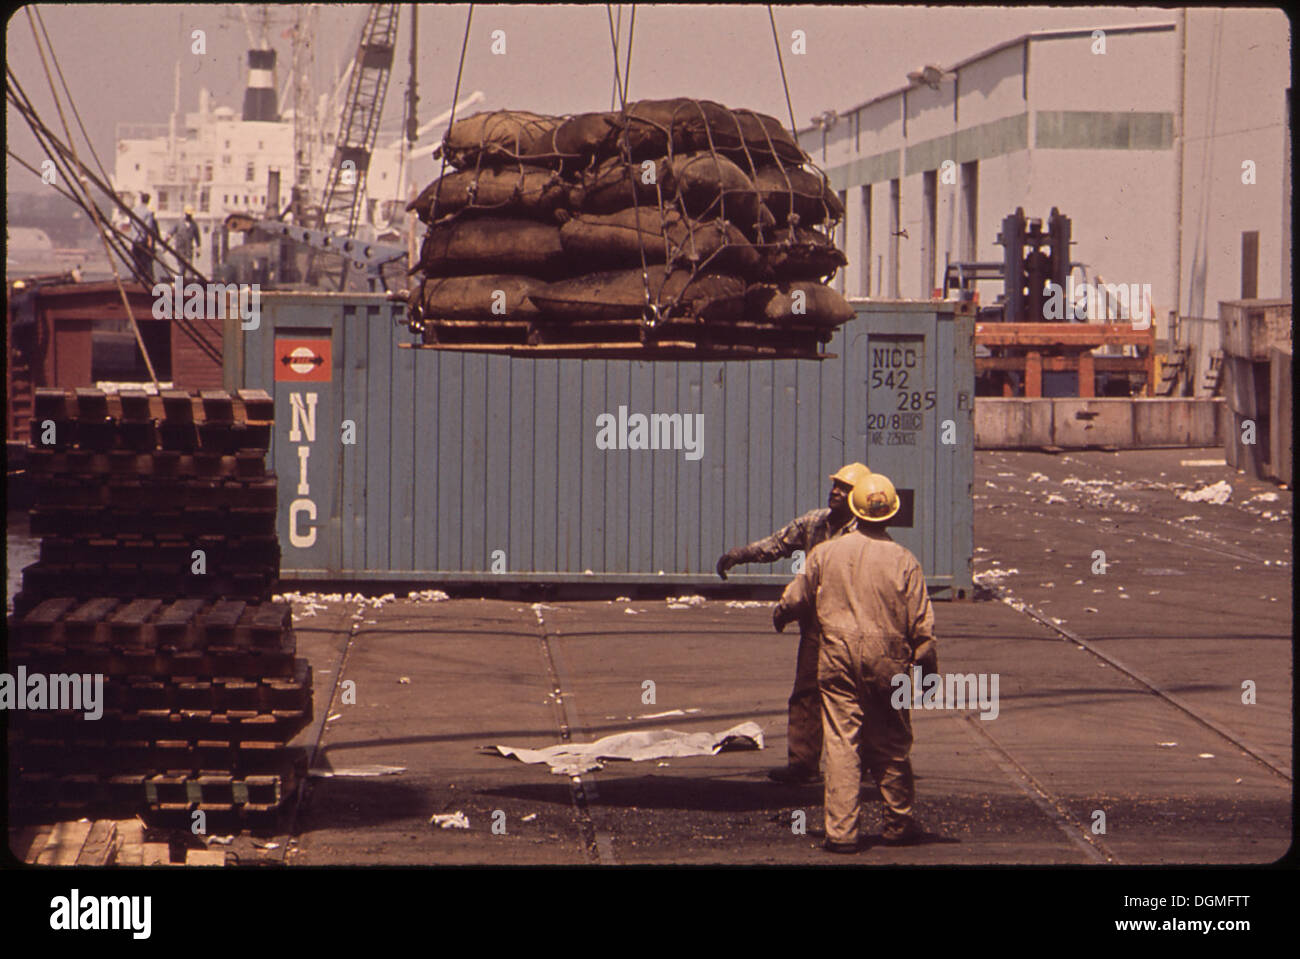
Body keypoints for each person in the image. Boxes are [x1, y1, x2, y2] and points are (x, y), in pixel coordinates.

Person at [773, 471, 937, 853]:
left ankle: (842, 833)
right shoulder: (904, 561)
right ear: (890, 514)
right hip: (889, 660)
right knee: (892, 742)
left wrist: (781, 614)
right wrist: (927, 672)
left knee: (843, 743)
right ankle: (898, 823)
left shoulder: (827, 552)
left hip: (837, 657)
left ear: (855, 510)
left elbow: (796, 598)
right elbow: (922, 627)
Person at [716, 462, 871, 784]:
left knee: (860, 694)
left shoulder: (865, 534)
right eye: (835, 485)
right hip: (818, 623)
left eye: (845, 488)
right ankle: (803, 764)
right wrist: (740, 554)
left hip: (857, 624)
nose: (836, 491)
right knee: (807, 692)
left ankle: (867, 762)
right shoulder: (814, 522)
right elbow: (777, 544)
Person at [130, 192, 158, 282]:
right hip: (142, 240)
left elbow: (131, 223)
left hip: (134, 240)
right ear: (148, 201)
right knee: (145, 261)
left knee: (136, 260)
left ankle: (135, 279)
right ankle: (147, 282)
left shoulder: (134, 210)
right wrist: (150, 241)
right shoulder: (148, 212)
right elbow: (148, 227)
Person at [167, 206, 201, 277]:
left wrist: (198, 249)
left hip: (189, 250)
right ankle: (179, 286)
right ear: (185, 214)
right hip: (180, 249)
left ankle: (190, 286)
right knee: (182, 269)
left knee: (190, 270)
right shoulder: (179, 223)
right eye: (188, 214)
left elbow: (197, 238)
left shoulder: (194, 225)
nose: (189, 216)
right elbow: (171, 233)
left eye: (190, 215)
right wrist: (167, 240)